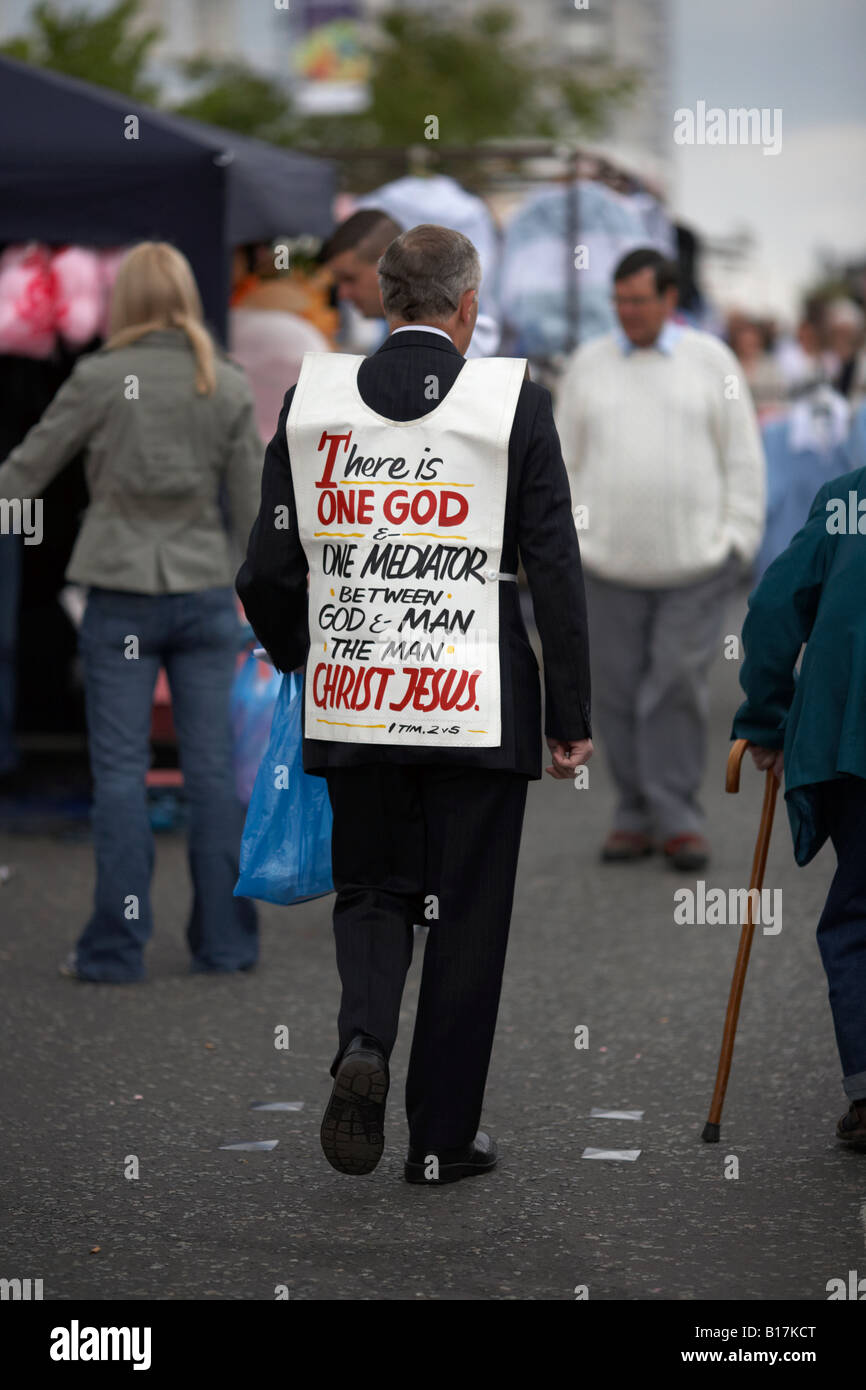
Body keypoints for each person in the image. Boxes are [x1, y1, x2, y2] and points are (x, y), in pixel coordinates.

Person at [237, 223, 592, 1185]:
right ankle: (441, 1138)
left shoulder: (311, 401)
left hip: (357, 695)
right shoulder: (515, 400)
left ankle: (363, 1043)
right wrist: (570, 716)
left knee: (375, 889)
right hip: (479, 702)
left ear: (379, 299)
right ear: (467, 304)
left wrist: (309, 658)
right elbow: (553, 566)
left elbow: (267, 568)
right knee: (468, 915)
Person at [0, 242, 262, 981]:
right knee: (213, 773)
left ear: (123, 302)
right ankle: (227, 944)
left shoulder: (101, 376)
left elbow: (24, 475)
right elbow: (252, 511)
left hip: (117, 594)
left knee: (120, 773)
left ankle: (116, 950)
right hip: (207, 592)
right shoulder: (228, 380)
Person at [555, 247, 765, 871]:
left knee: (673, 684)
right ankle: (634, 814)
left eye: (639, 300)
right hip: (605, 567)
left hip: (695, 567)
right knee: (616, 694)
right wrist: (572, 543)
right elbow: (562, 462)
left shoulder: (712, 361)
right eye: (619, 301)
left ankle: (677, 818)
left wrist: (738, 538)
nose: (628, 312)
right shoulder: (588, 366)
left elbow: (743, 457)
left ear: (670, 299)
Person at [731, 462, 866, 1148]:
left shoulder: (848, 500)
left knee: (859, 915)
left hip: (851, 738)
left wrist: (765, 715)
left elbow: (774, 607)